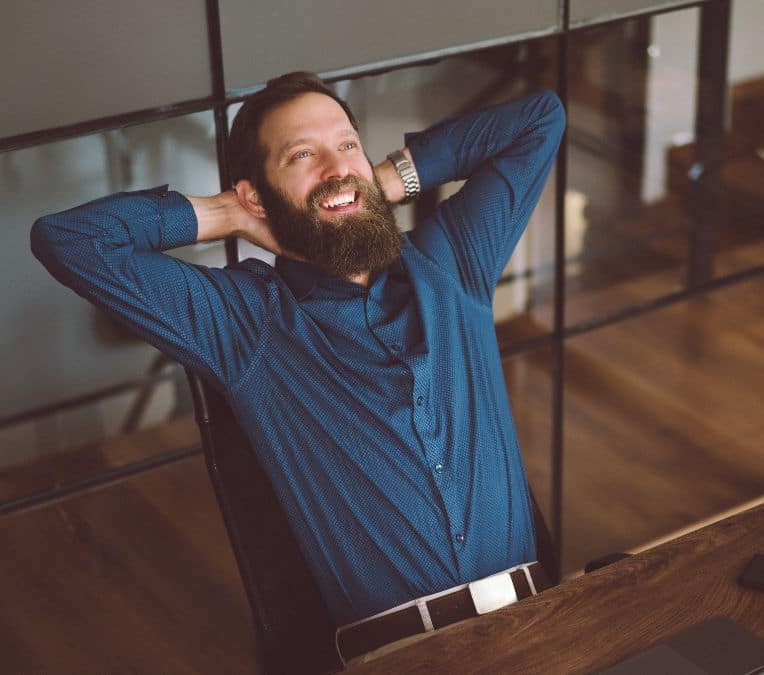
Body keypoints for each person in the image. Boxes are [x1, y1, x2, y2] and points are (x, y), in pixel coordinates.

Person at [31, 71, 564, 663]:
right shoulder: (243, 322)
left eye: (347, 144)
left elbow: (540, 119)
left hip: (545, 629)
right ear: (258, 194)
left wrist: (379, 181)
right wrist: (227, 214)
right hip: (402, 658)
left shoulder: (454, 265)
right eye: (302, 155)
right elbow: (71, 241)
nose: (336, 167)